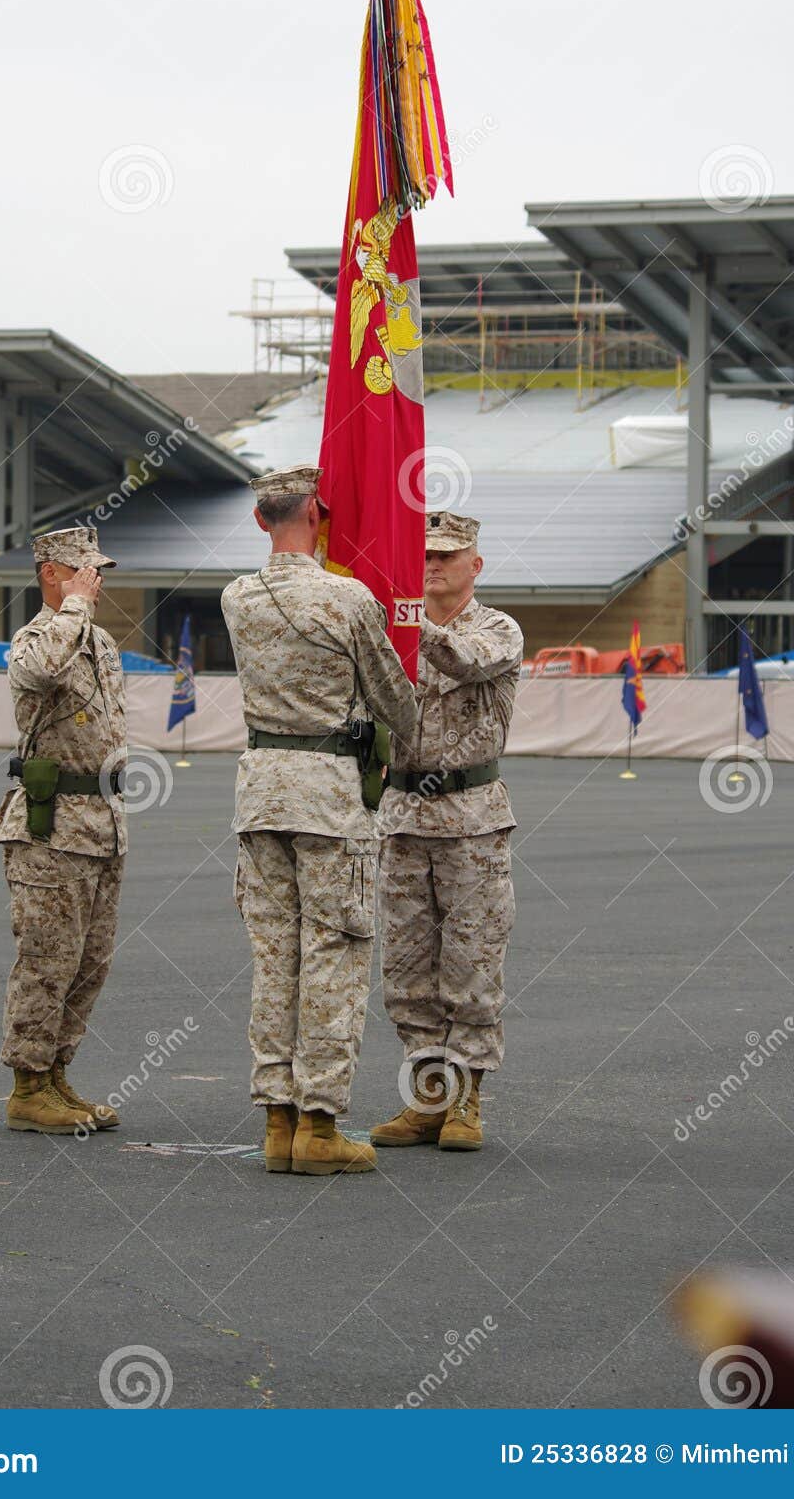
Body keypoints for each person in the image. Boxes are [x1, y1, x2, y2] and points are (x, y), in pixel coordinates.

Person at [221, 465, 417, 1176]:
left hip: (261, 791)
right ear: (319, 512)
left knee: (274, 958)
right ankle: (320, 1122)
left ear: (259, 520)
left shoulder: (236, 596)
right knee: (332, 954)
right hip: (330, 796)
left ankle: (276, 1118)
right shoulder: (347, 597)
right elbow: (395, 702)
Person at [372, 511, 523, 1152]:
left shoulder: (497, 629)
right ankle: (428, 1097)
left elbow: (463, 662)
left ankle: (468, 1099)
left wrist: (409, 621)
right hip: (404, 813)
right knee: (408, 968)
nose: (432, 565)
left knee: (471, 964)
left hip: (470, 821)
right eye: (424, 556)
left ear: (475, 565)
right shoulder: (394, 637)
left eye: (446, 555)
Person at [0, 525, 127, 1135]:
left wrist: (82, 613)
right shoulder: (33, 639)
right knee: (46, 959)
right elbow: (45, 671)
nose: (95, 579)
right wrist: (72, 606)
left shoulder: (99, 641)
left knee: (88, 963)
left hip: (101, 824)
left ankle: (55, 1074)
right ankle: (26, 1086)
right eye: (83, 569)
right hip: (50, 828)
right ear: (51, 572)